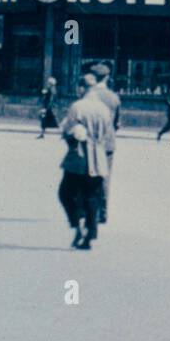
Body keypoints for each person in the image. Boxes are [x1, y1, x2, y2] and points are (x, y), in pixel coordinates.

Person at [58, 78, 113, 249]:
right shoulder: (104, 109)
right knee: (92, 196)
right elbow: (107, 132)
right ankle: (90, 233)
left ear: (82, 87)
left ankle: (77, 224)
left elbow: (68, 129)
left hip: (79, 156)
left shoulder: (78, 106)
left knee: (65, 192)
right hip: (99, 157)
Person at [88, 63, 121, 223]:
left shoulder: (88, 95)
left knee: (87, 175)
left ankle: (88, 211)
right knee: (104, 177)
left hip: (89, 141)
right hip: (107, 142)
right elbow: (117, 123)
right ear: (107, 77)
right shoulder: (113, 97)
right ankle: (103, 212)